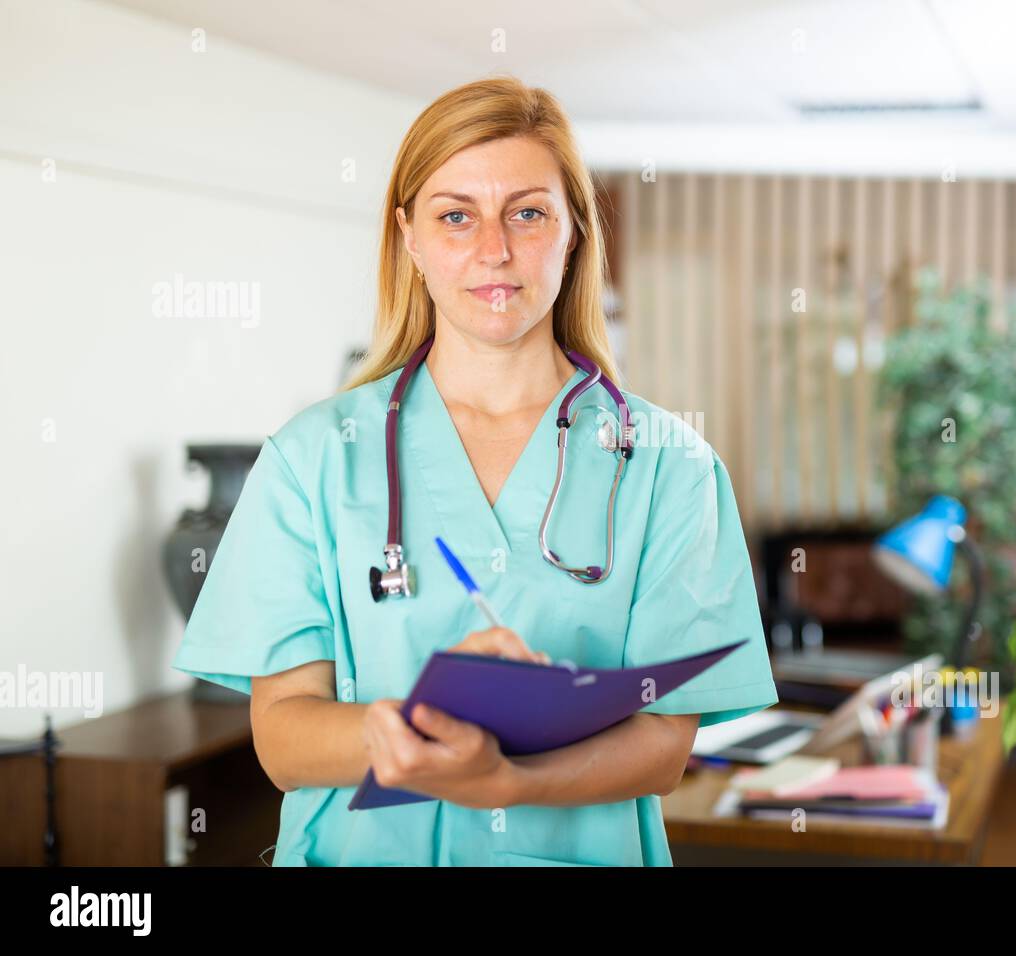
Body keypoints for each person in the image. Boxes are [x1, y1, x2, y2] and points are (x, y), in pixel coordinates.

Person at [172, 75, 778, 866]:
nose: (494, 249)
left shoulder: (672, 467)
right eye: (456, 215)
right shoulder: (312, 458)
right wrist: (405, 729)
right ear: (410, 239)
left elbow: (664, 744)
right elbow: (284, 734)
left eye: (527, 213)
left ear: (573, 234)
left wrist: (507, 781)